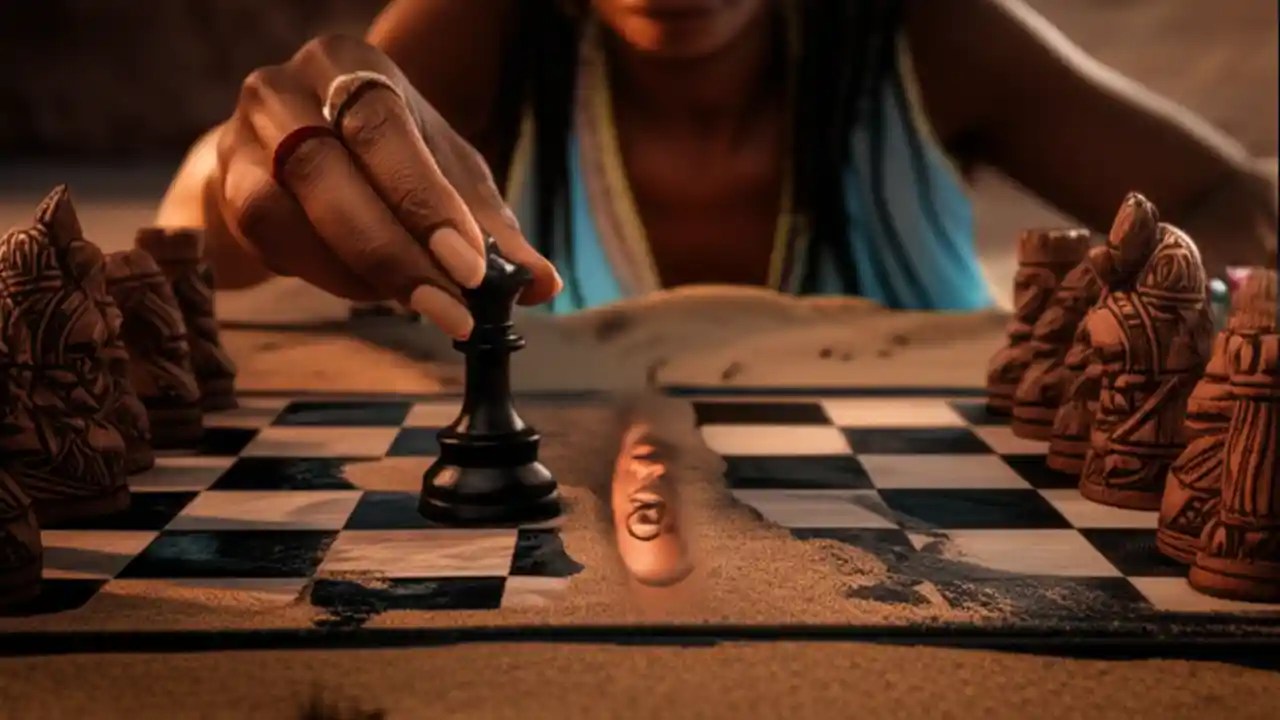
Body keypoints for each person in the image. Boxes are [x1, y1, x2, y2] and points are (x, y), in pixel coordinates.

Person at [157, 0, 1278, 339]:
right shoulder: (483, 31)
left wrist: (1206, 307)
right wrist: (240, 158)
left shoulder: (927, 33)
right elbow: (192, 240)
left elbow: (1229, 198)